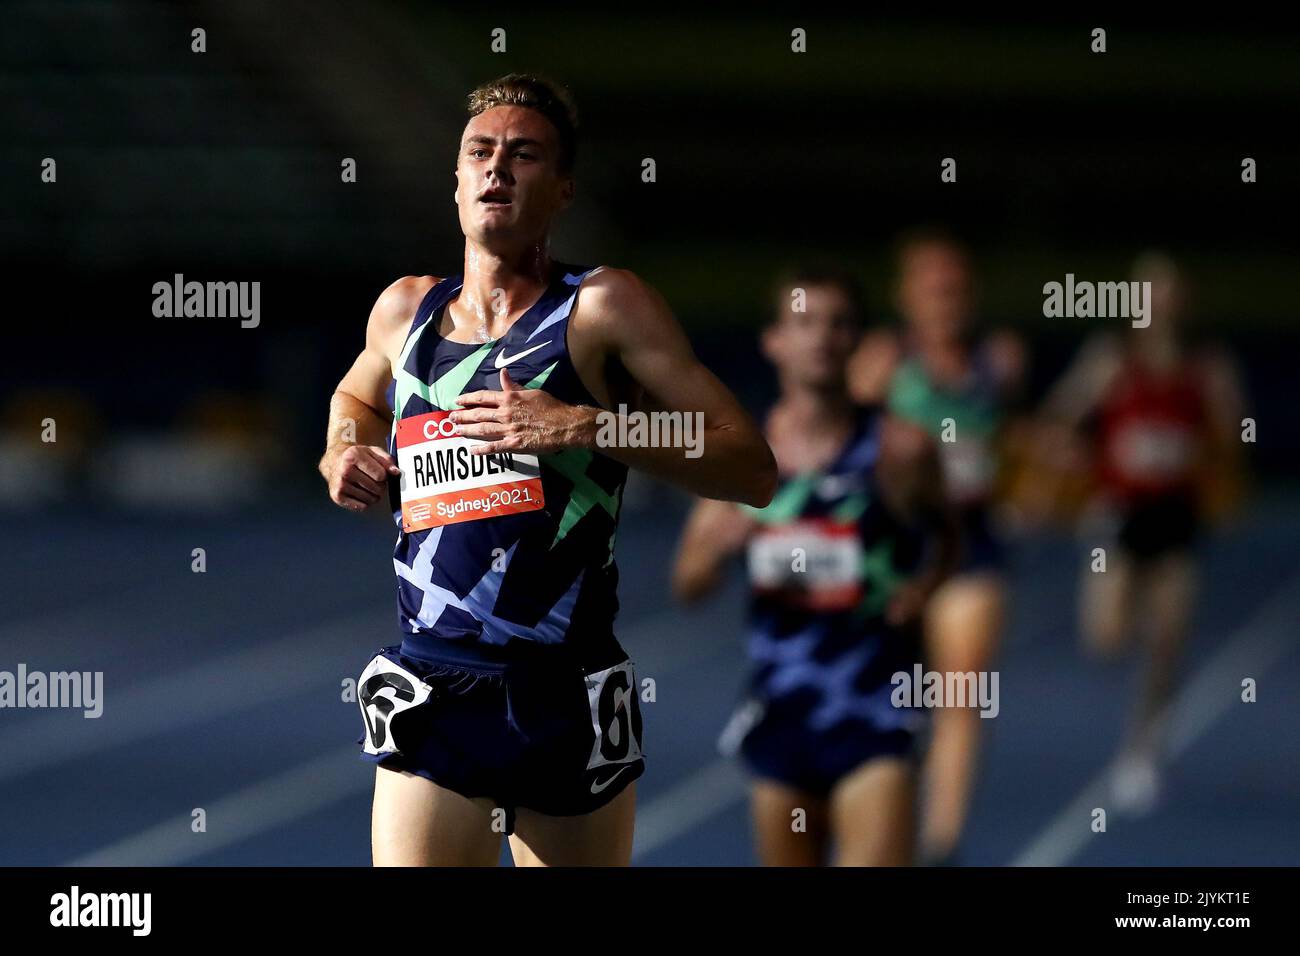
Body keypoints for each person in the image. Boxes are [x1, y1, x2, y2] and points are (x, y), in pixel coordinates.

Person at [318, 73, 776, 866]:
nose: (497, 168)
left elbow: (749, 462)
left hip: (565, 690)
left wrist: (585, 424)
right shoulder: (406, 311)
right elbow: (356, 395)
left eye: (523, 155)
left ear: (561, 190)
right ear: (456, 182)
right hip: (433, 680)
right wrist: (342, 449)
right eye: (480, 152)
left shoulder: (601, 308)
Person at [673, 268, 954, 865]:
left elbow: (952, 538)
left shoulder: (900, 449)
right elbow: (687, 585)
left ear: (858, 339)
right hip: (782, 716)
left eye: (838, 323)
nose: (822, 338)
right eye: (804, 322)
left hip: (875, 712)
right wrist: (721, 546)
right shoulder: (744, 458)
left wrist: (923, 588)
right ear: (774, 340)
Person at [1037, 251, 1246, 813]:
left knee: (1168, 639)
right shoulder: (1110, 359)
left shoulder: (1207, 364)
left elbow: (1233, 436)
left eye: (1168, 291)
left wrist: (1221, 444)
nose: (1158, 303)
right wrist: (1068, 449)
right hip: (1118, 515)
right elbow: (1061, 415)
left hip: (1176, 516)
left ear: (1184, 300)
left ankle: (1142, 750)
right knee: (1105, 638)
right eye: (1147, 292)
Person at [847, 230, 1023, 864]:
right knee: (889, 702)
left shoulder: (999, 360)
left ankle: (943, 845)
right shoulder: (882, 360)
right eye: (932, 287)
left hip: (971, 547)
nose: (945, 299)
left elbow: (1019, 443)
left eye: (955, 287)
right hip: (893, 553)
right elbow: (845, 445)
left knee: (960, 693)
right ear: (906, 296)